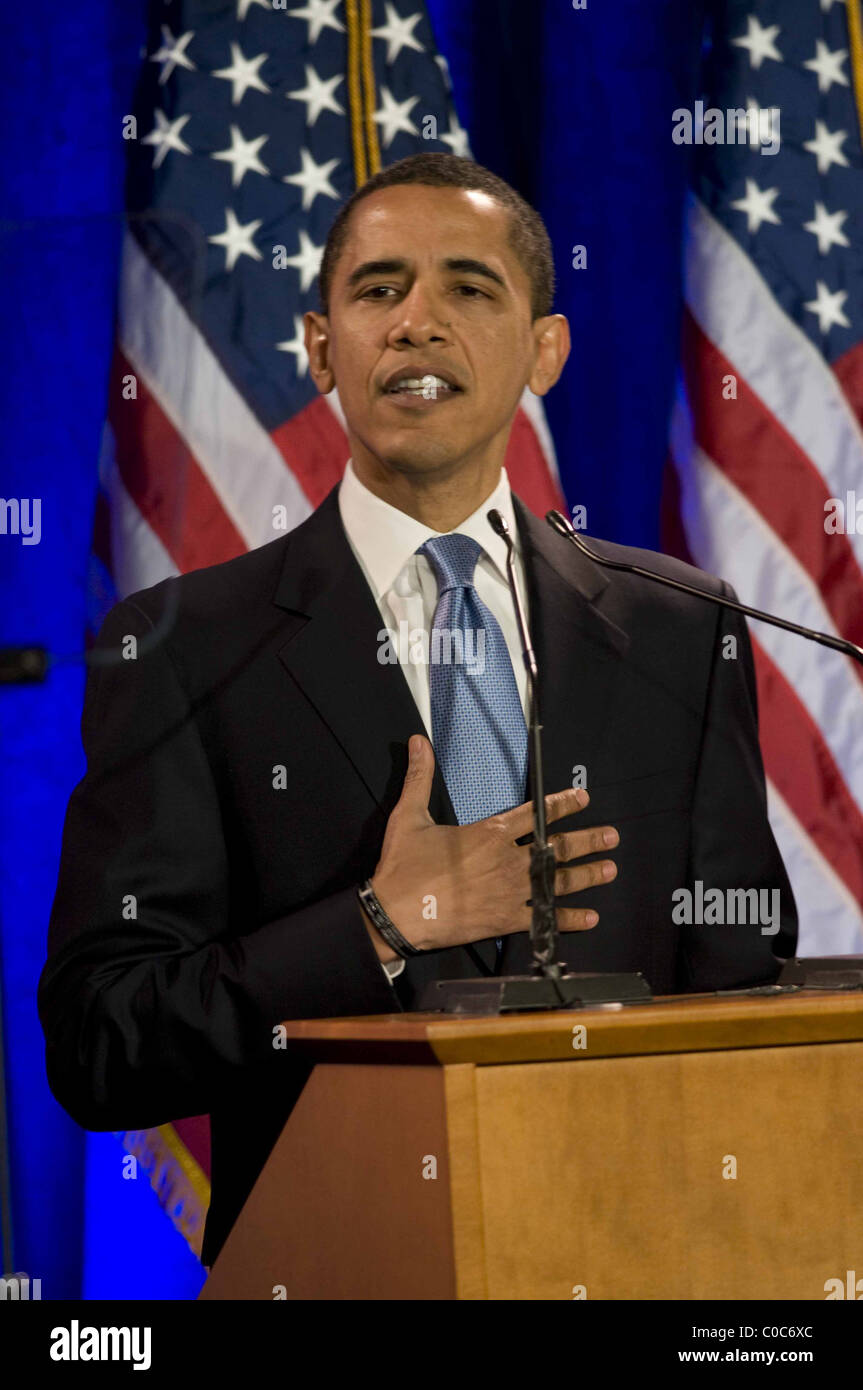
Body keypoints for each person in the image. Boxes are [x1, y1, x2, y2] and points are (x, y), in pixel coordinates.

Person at [39, 154, 796, 1269]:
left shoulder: (679, 630)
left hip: (637, 1256)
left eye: (469, 288)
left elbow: (746, 989)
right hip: (343, 1263)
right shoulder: (186, 647)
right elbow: (104, 1044)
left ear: (545, 350)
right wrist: (377, 928)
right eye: (377, 289)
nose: (415, 324)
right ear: (320, 347)